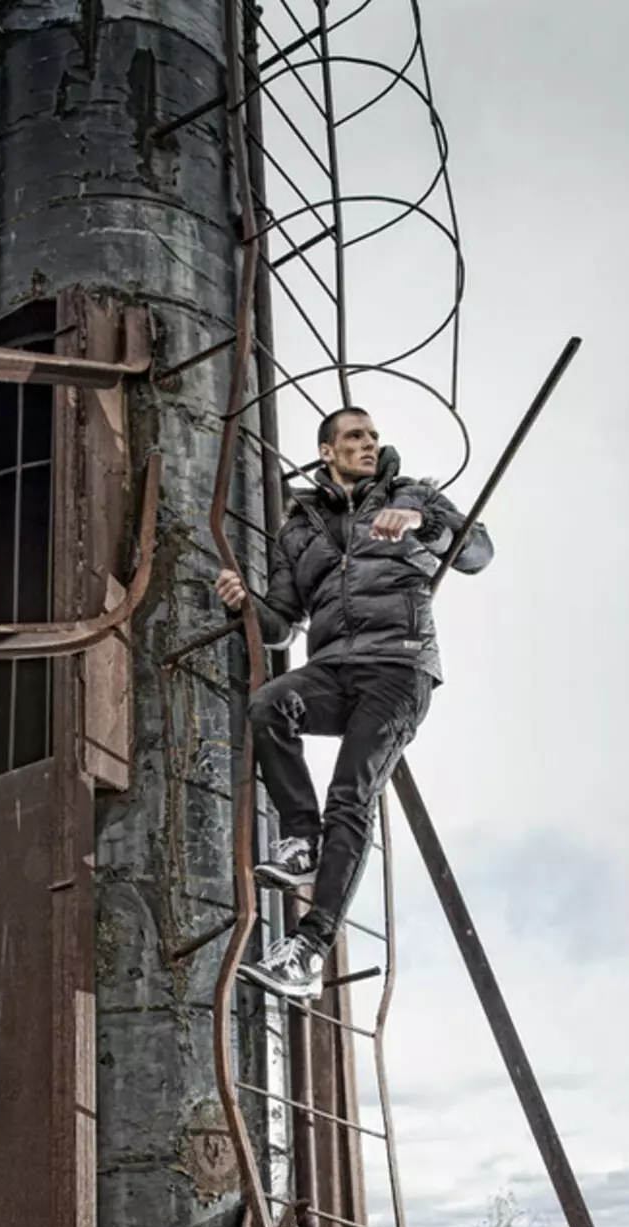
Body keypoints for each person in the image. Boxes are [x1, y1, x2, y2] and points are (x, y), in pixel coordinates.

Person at [214, 406, 494, 1001]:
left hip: (398, 666)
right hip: (333, 667)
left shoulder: (412, 494)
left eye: (372, 435)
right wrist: (243, 604)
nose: (369, 443)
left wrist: (419, 520)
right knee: (268, 705)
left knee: (351, 795)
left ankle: (308, 950)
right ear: (326, 452)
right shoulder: (300, 528)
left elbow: (477, 553)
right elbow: (282, 624)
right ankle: (301, 839)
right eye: (354, 436)